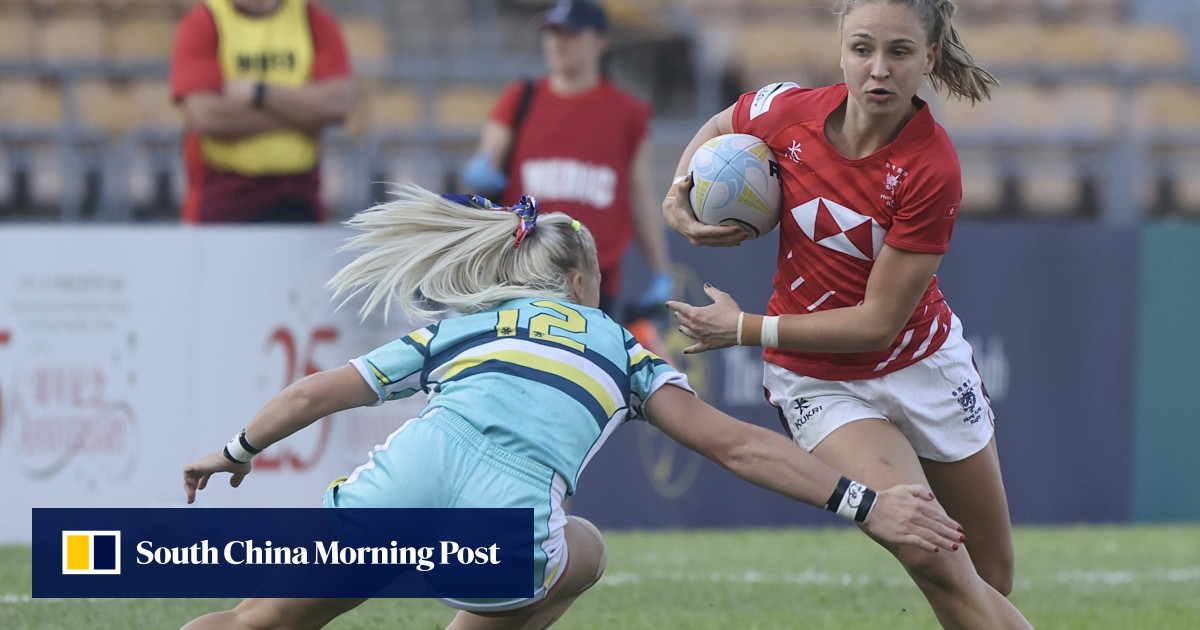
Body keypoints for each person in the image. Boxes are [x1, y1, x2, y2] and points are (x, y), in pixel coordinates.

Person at [180, 184, 964, 630]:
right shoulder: (624, 351)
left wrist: (237, 451)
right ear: (587, 280)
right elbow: (737, 447)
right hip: (506, 529)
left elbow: (313, 392)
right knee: (583, 547)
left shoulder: (466, 326)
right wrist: (864, 501)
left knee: (255, 623)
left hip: (404, 487)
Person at [662, 1, 1034, 629]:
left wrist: (745, 329)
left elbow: (876, 324)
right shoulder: (786, 112)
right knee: (930, 550)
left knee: (989, 576)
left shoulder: (931, 167)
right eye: (862, 49)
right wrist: (678, 196)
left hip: (922, 363)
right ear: (840, 51)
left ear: (930, 59)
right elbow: (724, 120)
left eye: (899, 52)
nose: (878, 70)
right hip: (819, 381)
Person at [459, 0, 672, 317]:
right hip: (523, 270)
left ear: (600, 42)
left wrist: (661, 271)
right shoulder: (520, 98)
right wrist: (479, 176)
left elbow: (639, 196)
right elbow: (485, 163)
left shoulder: (628, 113)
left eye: (570, 33)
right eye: (551, 32)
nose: (558, 42)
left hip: (592, 277)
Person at [169, 0, 355, 223]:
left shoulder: (313, 18)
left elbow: (337, 103)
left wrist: (259, 92)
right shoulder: (203, 22)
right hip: (226, 193)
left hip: (299, 191)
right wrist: (303, 115)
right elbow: (206, 117)